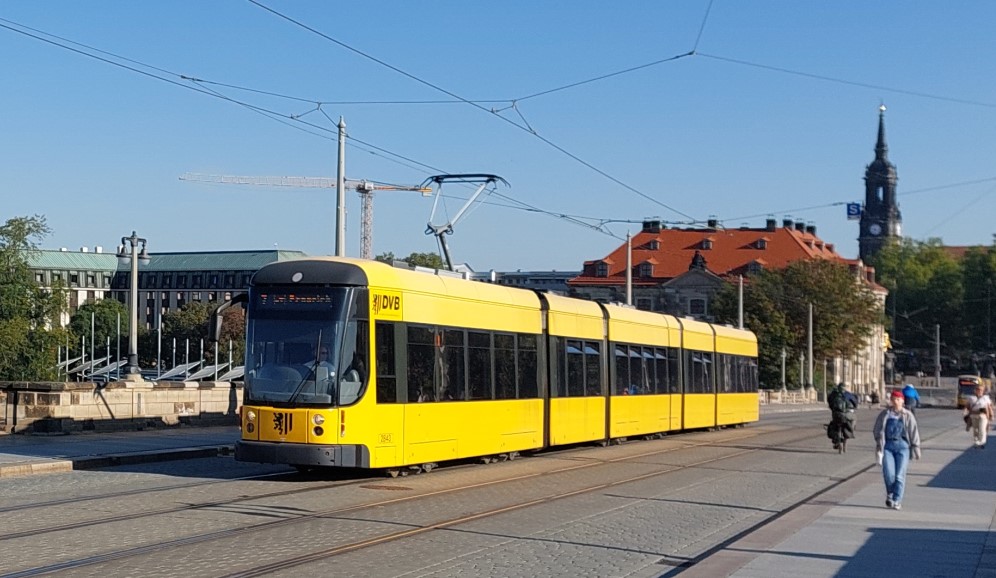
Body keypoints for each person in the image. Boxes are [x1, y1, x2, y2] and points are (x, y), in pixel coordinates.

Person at [872, 390, 922, 510]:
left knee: (900, 475)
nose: (896, 402)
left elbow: (913, 431)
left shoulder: (907, 415)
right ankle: (890, 493)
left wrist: (916, 447)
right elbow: (877, 429)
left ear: (903, 401)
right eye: (894, 399)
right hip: (888, 446)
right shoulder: (885, 414)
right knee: (889, 474)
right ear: (891, 401)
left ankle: (897, 500)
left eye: (898, 400)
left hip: (903, 446)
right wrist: (879, 442)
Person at [827, 382, 858, 449]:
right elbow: (854, 402)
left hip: (835, 414)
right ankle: (851, 430)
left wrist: (832, 408)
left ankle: (835, 439)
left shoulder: (833, 394)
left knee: (833, 423)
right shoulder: (847, 394)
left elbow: (829, 401)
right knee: (854, 418)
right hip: (845, 414)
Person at [962, 383, 994, 449]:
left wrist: (991, 415)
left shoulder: (985, 398)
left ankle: (982, 442)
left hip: (983, 415)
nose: (979, 391)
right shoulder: (971, 398)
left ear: (983, 391)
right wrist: (964, 411)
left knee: (982, 429)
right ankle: (976, 442)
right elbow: (967, 406)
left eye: (981, 390)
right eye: (978, 389)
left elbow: (989, 407)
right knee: (975, 430)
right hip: (974, 415)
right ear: (975, 390)